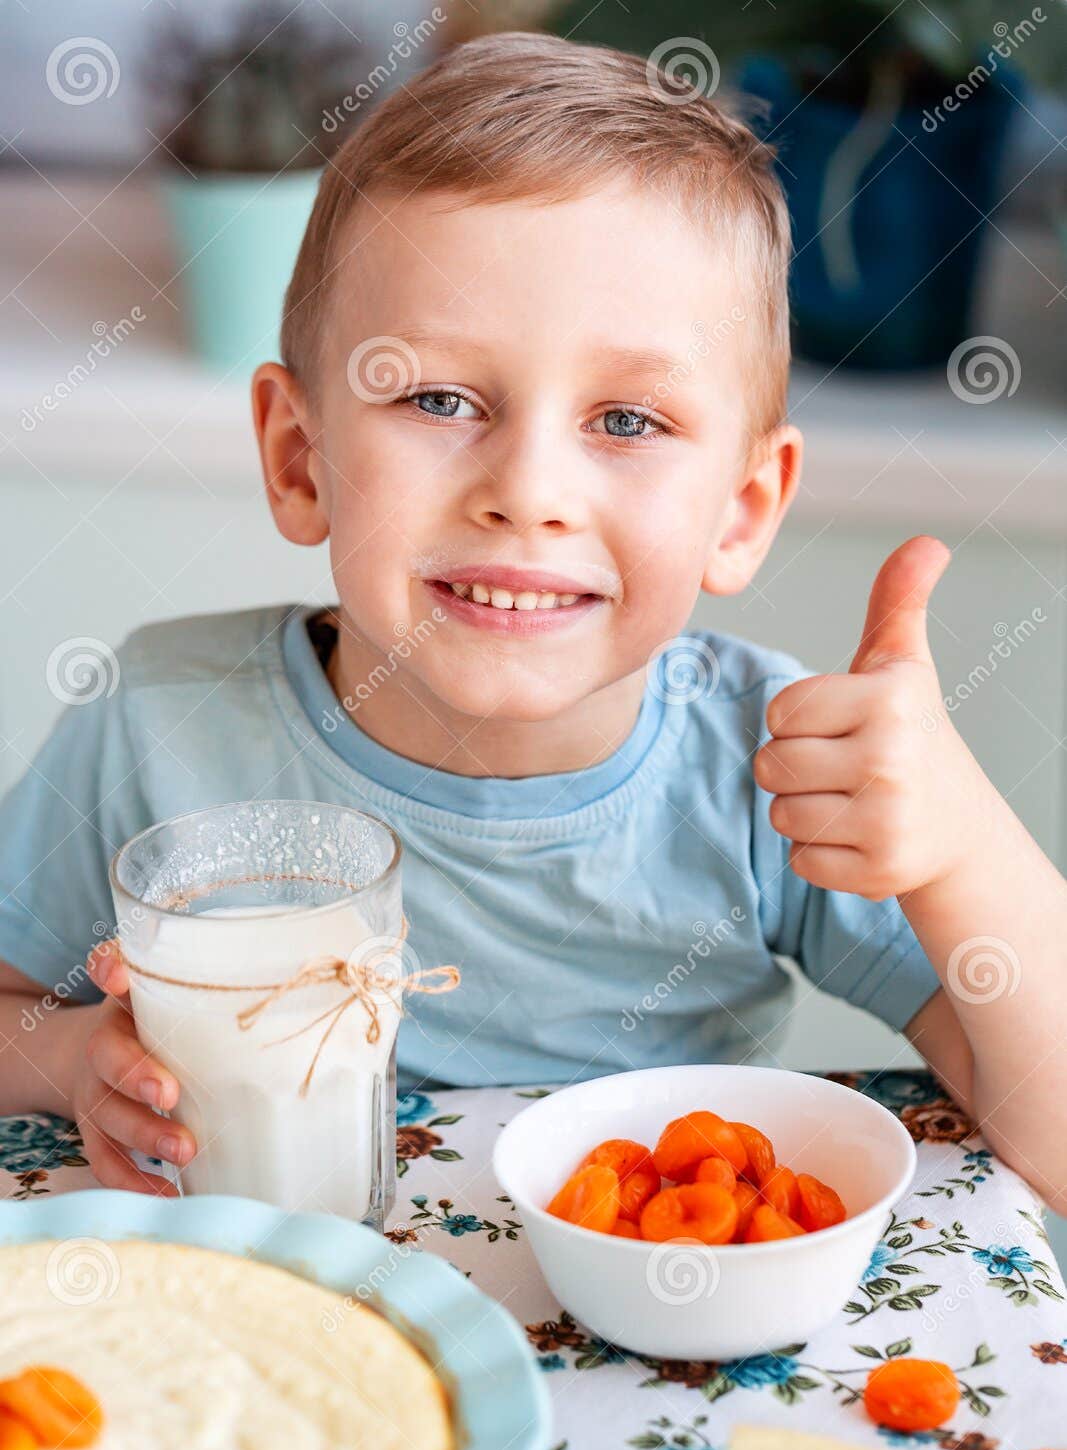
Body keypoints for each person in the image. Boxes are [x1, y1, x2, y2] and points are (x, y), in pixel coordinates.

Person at [0, 34, 1063, 1205]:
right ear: (301, 459)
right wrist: (63, 1056)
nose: (528, 492)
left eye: (627, 421)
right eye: (440, 399)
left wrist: (966, 847)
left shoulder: (773, 761)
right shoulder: (161, 719)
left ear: (740, 508)